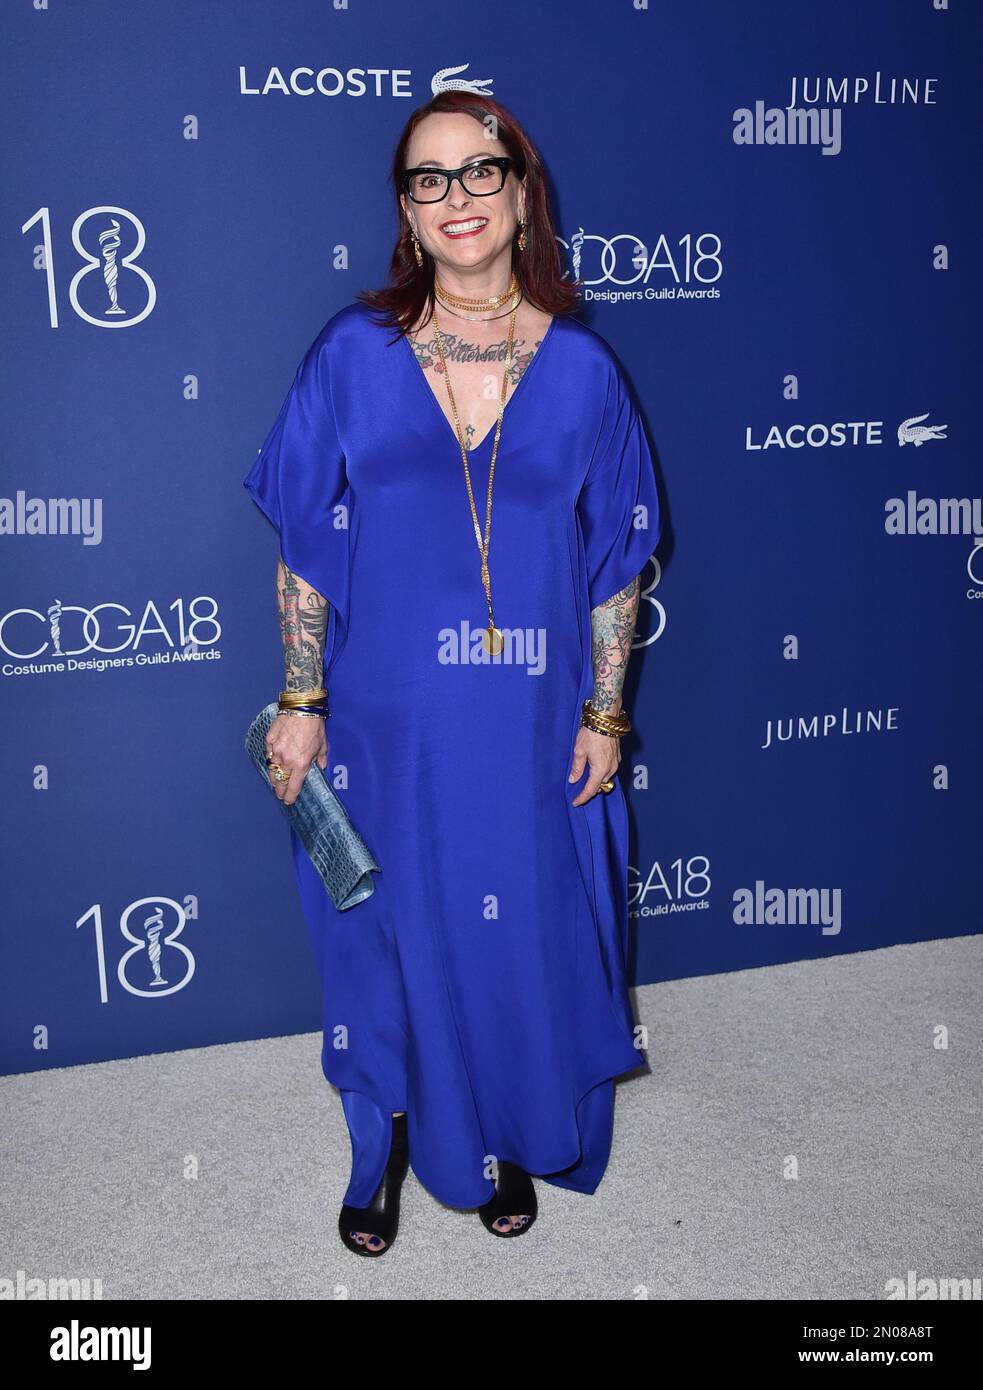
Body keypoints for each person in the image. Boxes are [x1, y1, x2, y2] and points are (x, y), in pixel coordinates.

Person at [244, 89, 661, 1256]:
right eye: (428, 179)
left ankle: (510, 1127)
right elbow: (305, 546)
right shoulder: (351, 352)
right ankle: (380, 1145)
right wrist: (301, 697)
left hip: (529, 720)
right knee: (382, 931)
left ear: (522, 192)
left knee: (514, 927)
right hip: (387, 714)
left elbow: (614, 562)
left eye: (479, 171)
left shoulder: (581, 370)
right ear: (405, 211)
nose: (456, 198)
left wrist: (603, 712)